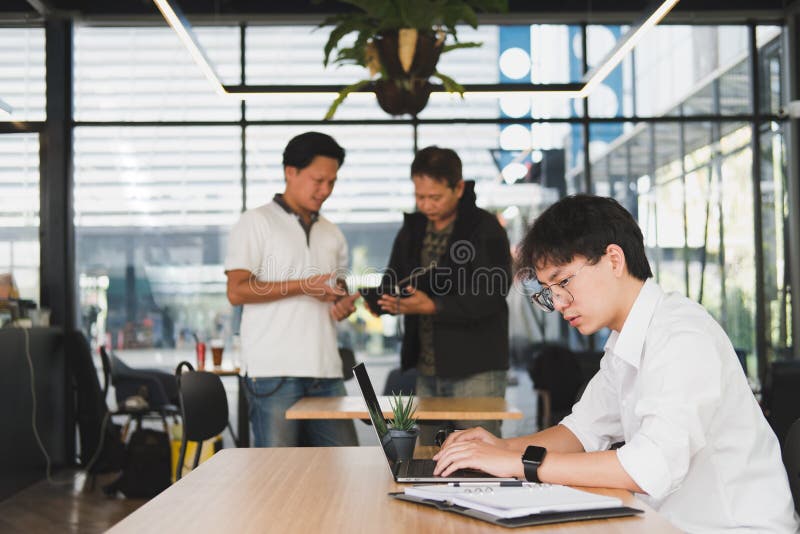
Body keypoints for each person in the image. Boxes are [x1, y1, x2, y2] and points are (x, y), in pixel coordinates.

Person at [433, 194, 799, 532]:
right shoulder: (626, 340)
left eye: (562, 282)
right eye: (548, 292)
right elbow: (581, 431)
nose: (558, 303)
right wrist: (501, 448)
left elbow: (649, 466)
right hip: (667, 522)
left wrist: (520, 465)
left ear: (614, 260)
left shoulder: (681, 334)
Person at [224, 131, 359, 447]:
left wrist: (341, 305)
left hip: (326, 371)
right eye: (318, 180)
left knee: (346, 466)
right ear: (290, 172)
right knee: (278, 471)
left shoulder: (333, 233)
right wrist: (304, 286)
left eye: (332, 182)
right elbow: (237, 291)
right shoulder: (255, 222)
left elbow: (336, 293)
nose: (325, 190)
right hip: (273, 374)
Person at [376, 146, 511, 441]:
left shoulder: (485, 228)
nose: (426, 205)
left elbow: (493, 293)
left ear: (458, 188)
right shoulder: (413, 229)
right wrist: (380, 299)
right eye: (420, 196)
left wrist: (433, 306)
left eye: (435, 197)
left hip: (476, 367)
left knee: (478, 450)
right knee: (429, 451)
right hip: (426, 368)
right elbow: (394, 278)